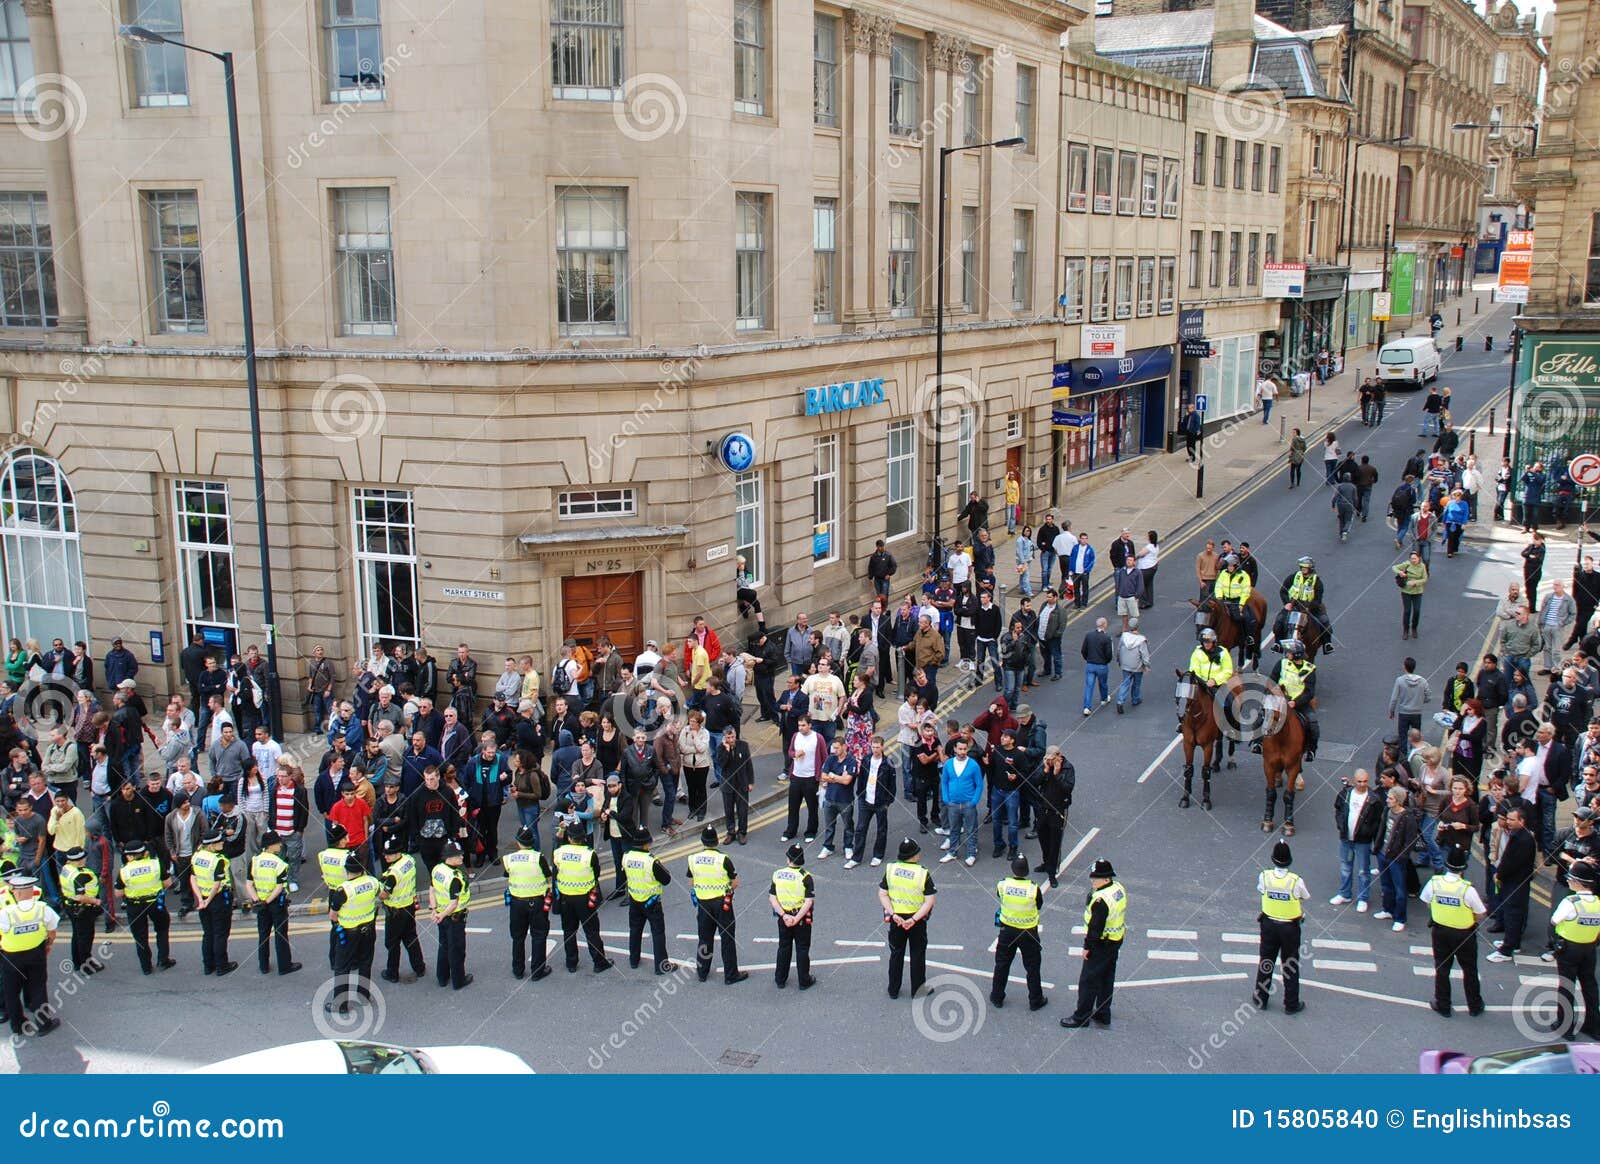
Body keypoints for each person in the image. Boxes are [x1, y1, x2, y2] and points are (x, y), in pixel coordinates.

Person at [1421, 848, 1487, 1017]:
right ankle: (1474, 1005)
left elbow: (1427, 902)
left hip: (1440, 931)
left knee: (1442, 968)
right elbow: (1480, 913)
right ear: (1463, 869)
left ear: (1446, 865)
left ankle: (1443, 1005)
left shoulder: (1434, 883)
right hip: (1464, 934)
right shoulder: (1467, 889)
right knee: (1470, 970)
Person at [1061, 858, 1127, 1028]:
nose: (1092, 881)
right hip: (1115, 940)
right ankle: (1103, 1013)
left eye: (1096, 878)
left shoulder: (1101, 900)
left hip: (1101, 944)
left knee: (1088, 981)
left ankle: (1081, 1016)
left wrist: (1087, 948)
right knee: (1106, 978)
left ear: (1106, 879)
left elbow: (1095, 928)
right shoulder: (1118, 889)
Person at [0, 874, 59, 1037]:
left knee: (11, 991)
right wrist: (47, 946)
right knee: (38, 987)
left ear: (16, 893)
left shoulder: (6, 913)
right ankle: (43, 1024)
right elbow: (52, 932)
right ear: (32, 891)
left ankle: (17, 1026)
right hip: (36, 954)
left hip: (10, 957)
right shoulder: (42, 908)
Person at [1253, 841, 1308, 1014]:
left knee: (1266, 961)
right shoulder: (1295, 881)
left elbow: (1262, 890)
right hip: (1290, 928)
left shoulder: (1264, 876)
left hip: (1269, 924)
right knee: (1290, 964)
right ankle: (1291, 1004)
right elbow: (1305, 896)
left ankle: (1261, 998)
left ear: (1273, 859)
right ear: (1289, 861)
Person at [1547, 859, 1600, 1039]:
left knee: (1567, 987)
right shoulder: (1598, 902)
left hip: (1569, 949)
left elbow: (1554, 920)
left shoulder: (1571, 902)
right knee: (1589, 986)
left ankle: (1565, 1027)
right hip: (1590, 949)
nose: (1568, 881)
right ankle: (1593, 1026)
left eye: (1570, 879)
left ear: (1578, 882)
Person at [688, 825, 744, 984]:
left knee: (704, 938)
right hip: (722, 904)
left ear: (702, 842)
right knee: (727, 938)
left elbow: (691, 882)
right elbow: (735, 882)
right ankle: (731, 975)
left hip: (703, 904)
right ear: (716, 842)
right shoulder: (723, 859)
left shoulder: (693, 859)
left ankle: (702, 972)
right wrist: (726, 890)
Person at [879, 838, 935, 1000]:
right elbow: (929, 900)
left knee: (896, 953)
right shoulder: (922, 873)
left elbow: (882, 894)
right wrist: (915, 919)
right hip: (916, 921)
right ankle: (918, 989)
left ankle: (893, 989)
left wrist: (893, 914)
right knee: (917, 954)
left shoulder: (891, 869)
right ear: (913, 855)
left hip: (896, 919)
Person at [991, 854, 1048, 1011]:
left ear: (1013, 869)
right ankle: (1035, 1000)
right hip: (1028, 932)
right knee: (1032, 967)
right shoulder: (1033, 888)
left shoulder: (1003, 884)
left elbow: (999, 896)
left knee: (1002, 964)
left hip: (1007, 930)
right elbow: (1039, 905)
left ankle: (997, 996)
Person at [552, 826, 611, 974]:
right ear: (583, 838)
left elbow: (555, 870)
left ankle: (571, 963)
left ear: (570, 838)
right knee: (591, 931)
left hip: (566, 898)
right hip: (585, 899)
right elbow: (596, 873)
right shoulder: (589, 854)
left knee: (569, 931)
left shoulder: (559, 852)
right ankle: (599, 962)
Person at [327, 852, 381, 1014]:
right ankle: (364, 996)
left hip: (348, 932)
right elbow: (384, 895)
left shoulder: (343, 890)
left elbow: (333, 914)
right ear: (362, 869)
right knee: (365, 962)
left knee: (342, 967)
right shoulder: (373, 882)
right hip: (368, 929)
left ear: (347, 870)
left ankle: (340, 1005)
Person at [619, 825, 674, 975]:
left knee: (635, 930)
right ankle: (661, 966)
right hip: (652, 902)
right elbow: (666, 879)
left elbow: (625, 875)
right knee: (657, 933)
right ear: (646, 843)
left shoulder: (626, 856)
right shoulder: (651, 861)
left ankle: (634, 960)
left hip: (634, 900)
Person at [501, 825, 554, 981]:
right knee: (538, 935)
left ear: (518, 842)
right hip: (536, 902)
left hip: (517, 903)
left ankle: (518, 969)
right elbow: (548, 877)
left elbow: (507, 875)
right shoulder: (539, 857)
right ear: (532, 841)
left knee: (518, 937)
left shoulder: (509, 859)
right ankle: (538, 971)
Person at [245, 830, 300, 976]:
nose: (280, 845)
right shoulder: (280, 863)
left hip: (260, 902)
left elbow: (249, 884)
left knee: (263, 935)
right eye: (278, 842)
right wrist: (268, 901)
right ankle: (284, 966)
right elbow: (279, 886)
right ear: (271, 845)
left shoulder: (254, 860)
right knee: (281, 934)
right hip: (276, 904)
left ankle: (263, 965)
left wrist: (257, 900)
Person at [116, 839, 174, 975]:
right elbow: (168, 883)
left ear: (129, 856)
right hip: (155, 903)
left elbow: (118, 893)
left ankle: (146, 967)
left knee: (140, 937)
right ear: (144, 853)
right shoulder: (155, 864)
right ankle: (163, 960)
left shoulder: (124, 870)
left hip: (134, 906)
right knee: (162, 930)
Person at [1487, 805, 1537, 961]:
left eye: (1511, 819)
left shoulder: (1523, 838)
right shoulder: (1520, 835)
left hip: (1515, 882)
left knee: (1512, 914)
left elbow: (1512, 861)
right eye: (1507, 818)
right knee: (1513, 913)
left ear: (1522, 820)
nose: (1507, 822)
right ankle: (1513, 942)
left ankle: (1506, 950)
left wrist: (1499, 874)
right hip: (1515, 881)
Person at [190, 829, 237, 976]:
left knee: (208, 933)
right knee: (220, 933)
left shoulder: (196, 856)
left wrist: (201, 900)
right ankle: (222, 966)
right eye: (220, 841)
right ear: (211, 845)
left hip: (203, 898)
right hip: (217, 900)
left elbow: (193, 878)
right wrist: (208, 900)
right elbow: (217, 884)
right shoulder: (218, 860)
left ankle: (208, 966)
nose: (222, 842)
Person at [429, 841, 473, 989]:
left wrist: (434, 910)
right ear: (449, 857)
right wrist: (442, 915)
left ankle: (442, 977)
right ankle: (458, 980)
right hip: (454, 917)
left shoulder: (437, 870)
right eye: (458, 856)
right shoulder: (455, 877)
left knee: (444, 946)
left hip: (442, 914)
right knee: (457, 950)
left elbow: (432, 889)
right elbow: (454, 903)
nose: (461, 857)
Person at [56, 846, 102, 975]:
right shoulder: (82, 875)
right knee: (85, 938)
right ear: (81, 859)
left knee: (76, 934)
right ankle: (86, 966)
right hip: (83, 909)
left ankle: (77, 962)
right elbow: (80, 896)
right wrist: (95, 901)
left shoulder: (66, 869)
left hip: (69, 906)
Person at [939, 736, 983, 866]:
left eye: (965, 749)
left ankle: (971, 854)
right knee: (954, 829)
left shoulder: (973, 765)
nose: (963, 751)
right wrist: (946, 799)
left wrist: (974, 801)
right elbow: (944, 782)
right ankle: (952, 852)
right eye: (960, 749)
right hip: (952, 804)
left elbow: (979, 785)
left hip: (968, 804)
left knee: (971, 830)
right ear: (955, 749)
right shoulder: (948, 764)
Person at [1394, 551, 1428, 639]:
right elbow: (1394, 567)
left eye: (1415, 559)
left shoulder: (1422, 566)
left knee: (1417, 611)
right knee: (1407, 611)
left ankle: (1414, 628)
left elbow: (1425, 579)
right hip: (1406, 591)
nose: (1413, 560)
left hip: (1417, 592)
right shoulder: (1407, 564)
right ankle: (1405, 630)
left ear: (1419, 558)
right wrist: (1400, 572)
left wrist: (1415, 582)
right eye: (1411, 558)